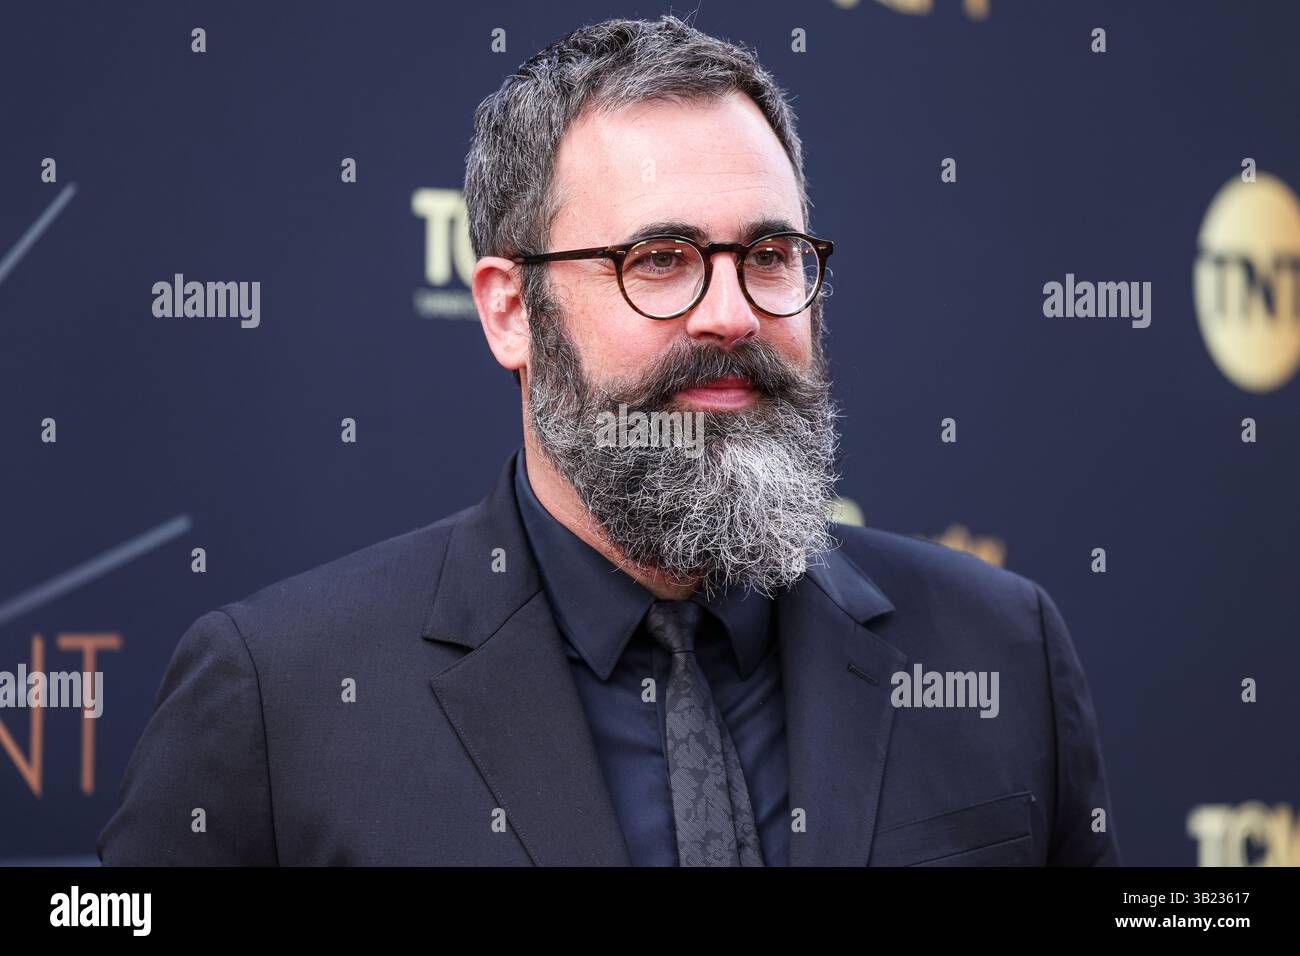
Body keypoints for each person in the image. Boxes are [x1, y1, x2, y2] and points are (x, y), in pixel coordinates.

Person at [98, 14, 1118, 866]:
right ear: (509, 311)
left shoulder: (999, 650)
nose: (732, 313)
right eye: (661, 258)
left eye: (769, 254)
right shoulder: (280, 702)